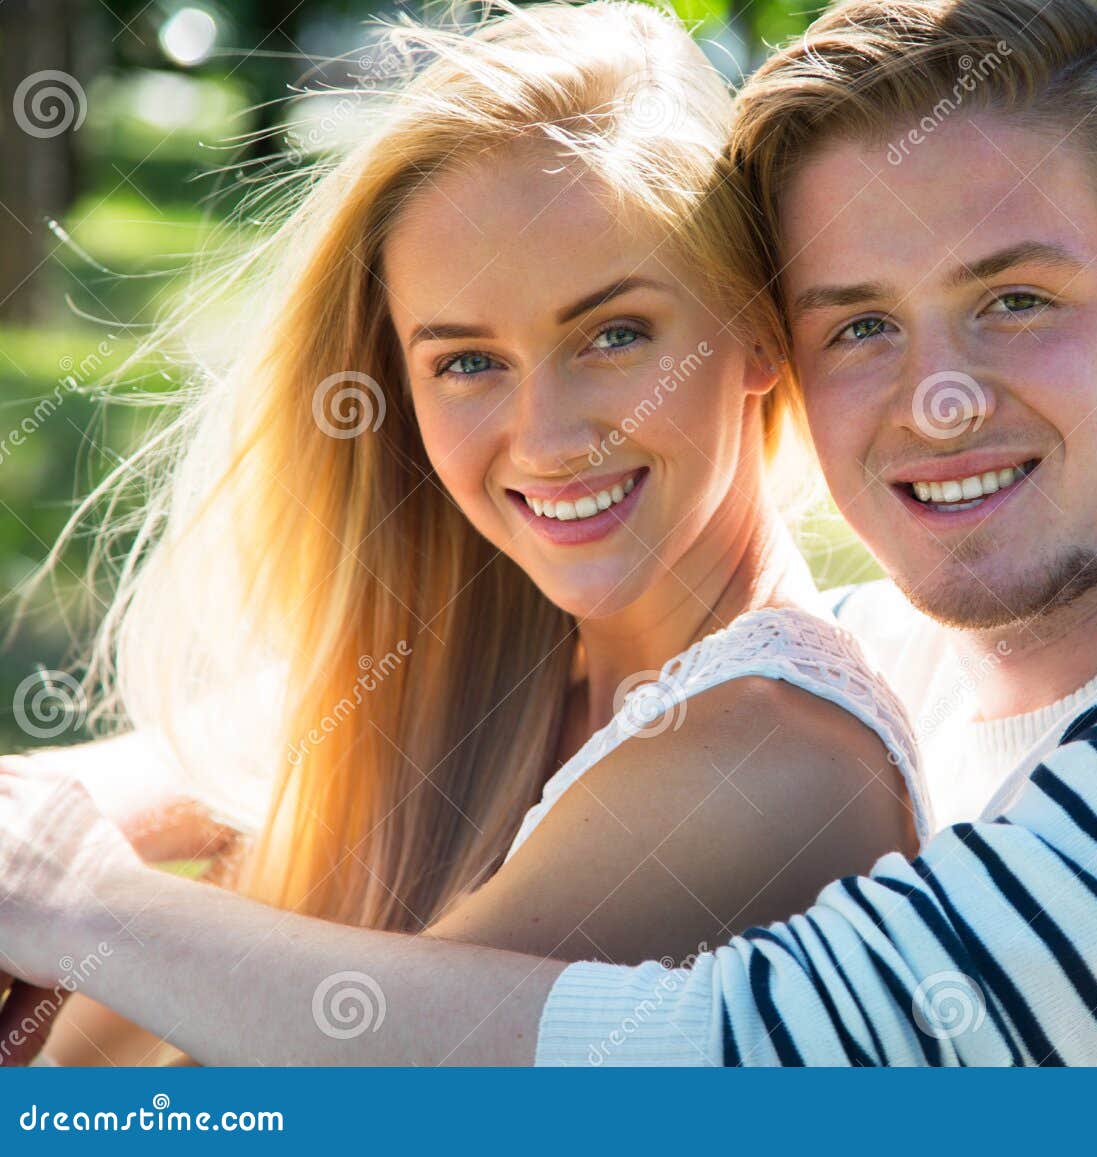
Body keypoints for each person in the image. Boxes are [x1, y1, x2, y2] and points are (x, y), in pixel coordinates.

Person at [2, 0, 1097, 1066]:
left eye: (1014, 303)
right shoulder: (928, 662)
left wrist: (76, 904)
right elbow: (242, 761)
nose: (942, 403)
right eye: (861, 327)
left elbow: (710, 1059)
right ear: (785, 353)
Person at [0, 1, 928, 1066]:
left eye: (614, 335)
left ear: (758, 332)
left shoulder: (775, 756)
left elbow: (355, 1099)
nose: (544, 439)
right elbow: (174, 782)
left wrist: (82, 898)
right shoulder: (516, 652)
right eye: (466, 361)